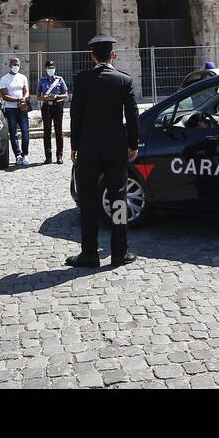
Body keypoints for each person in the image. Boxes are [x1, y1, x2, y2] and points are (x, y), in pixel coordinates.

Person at [68, 34, 140, 269]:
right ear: (113, 56)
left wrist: (74, 146)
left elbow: (75, 116)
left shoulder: (82, 81)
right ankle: (120, 253)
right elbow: (132, 117)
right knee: (118, 199)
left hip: (88, 148)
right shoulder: (123, 80)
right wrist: (133, 144)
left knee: (88, 202)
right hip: (115, 147)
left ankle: (89, 254)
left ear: (92, 57)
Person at [0, 57, 30, 166]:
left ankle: (25, 154)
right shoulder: (4, 79)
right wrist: (17, 99)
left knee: (25, 131)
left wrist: (23, 99)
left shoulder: (23, 77)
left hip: (22, 108)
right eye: (14, 64)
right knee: (13, 133)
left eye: (18, 65)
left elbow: (26, 91)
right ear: (10, 65)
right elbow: (4, 95)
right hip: (10, 109)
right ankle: (18, 155)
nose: (16, 66)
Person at [37, 60, 69, 165]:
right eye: (49, 68)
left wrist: (57, 96)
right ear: (46, 69)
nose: (51, 69)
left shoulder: (60, 80)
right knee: (47, 132)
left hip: (57, 106)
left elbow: (66, 95)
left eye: (52, 67)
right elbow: (38, 96)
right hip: (46, 106)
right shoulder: (42, 81)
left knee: (58, 131)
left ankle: (59, 156)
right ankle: (48, 156)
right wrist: (44, 98)